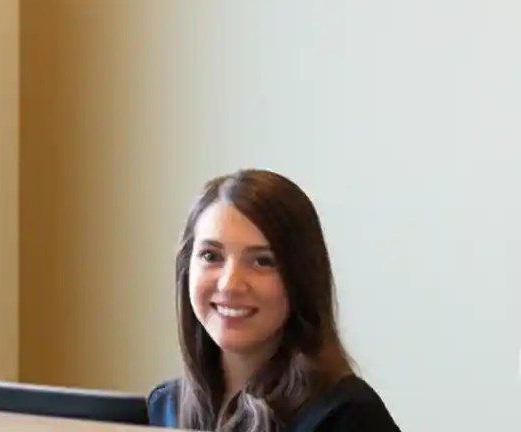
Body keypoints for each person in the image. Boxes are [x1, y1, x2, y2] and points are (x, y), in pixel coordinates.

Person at [147, 169, 401, 431]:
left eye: (262, 261)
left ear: (301, 277)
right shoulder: (166, 407)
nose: (230, 284)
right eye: (211, 256)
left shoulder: (348, 416)